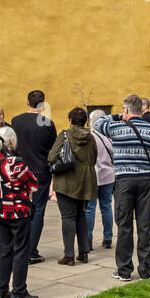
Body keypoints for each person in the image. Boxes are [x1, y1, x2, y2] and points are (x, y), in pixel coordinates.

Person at [94, 94, 150, 282]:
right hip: (146, 181)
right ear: (142, 109)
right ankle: (145, 269)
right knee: (144, 226)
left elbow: (97, 123)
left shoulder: (116, 127)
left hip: (124, 180)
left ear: (126, 109)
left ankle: (124, 270)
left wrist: (119, 116)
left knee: (124, 225)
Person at [0, 125, 39, 298]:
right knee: (20, 251)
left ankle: (0, 291)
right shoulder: (15, 162)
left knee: (5, 249)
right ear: (12, 141)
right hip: (17, 211)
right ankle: (18, 291)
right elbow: (33, 184)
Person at [47, 107, 98, 265]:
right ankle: (83, 252)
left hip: (67, 181)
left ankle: (69, 254)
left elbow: (51, 157)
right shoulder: (91, 137)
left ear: (70, 121)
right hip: (86, 181)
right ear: (84, 122)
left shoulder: (65, 135)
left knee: (68, 217)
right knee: (81, 216)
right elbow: (94, 157)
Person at [11, 91, 57, 265]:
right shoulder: (47, 123)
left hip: (19, 170)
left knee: (19, 208)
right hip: (40, 171)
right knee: (37, 210)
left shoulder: (16, 121)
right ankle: (31, 251)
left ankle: (19, 245)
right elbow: (53, 149)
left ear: (27, 102)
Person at [86, 110, 116, 251]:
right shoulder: (109, 138)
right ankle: (108, 238)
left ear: (91, 121)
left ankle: (88, 239)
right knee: (106, 207)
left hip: (93, 176)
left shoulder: (89, 137)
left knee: (90, 208)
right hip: (108, 175)